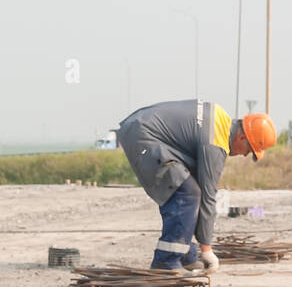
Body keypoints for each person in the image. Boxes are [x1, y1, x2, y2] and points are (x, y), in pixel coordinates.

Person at [117, 100, 276, 271]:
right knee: (187, 193)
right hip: (143, 134)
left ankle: (185, 254)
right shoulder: (215, 143)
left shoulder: (220, 121)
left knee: (189, 189)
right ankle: (166, 263)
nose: (245, 155)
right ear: (242, 137)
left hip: (144, 126)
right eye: (249, 150)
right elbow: (208, 197)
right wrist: (206, 249)